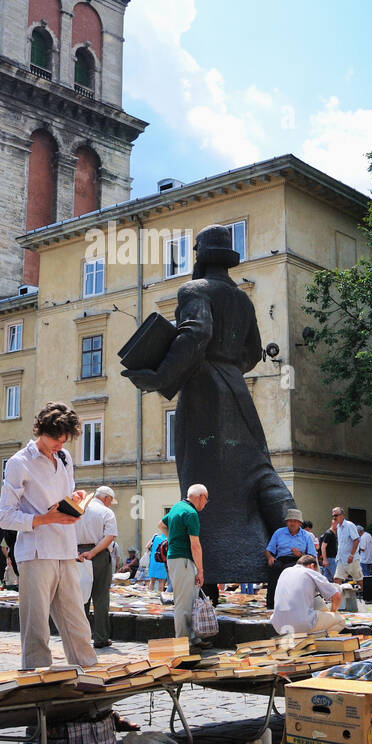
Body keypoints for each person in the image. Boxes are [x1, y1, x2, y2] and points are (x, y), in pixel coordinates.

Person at [121, 226, 298, 596]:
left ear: (200, 255)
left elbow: (196, 334)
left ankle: (208, 581)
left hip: (203, 394)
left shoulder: (194, 290)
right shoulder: (242, 300)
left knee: (200, 481)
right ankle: (286, 566)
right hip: (237, 392)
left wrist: (159, 376)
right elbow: (252, 353)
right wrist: (228, 367)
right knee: (256, 472)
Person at [0, 401, 97, 671]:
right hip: (36, 553)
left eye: (64, 441)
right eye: (56, 440)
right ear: (41, 430)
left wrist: (74, 499)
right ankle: (36, 681)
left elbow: (60, 495)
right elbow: (4, 516)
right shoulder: (19, 463)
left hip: (66, 549)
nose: (60, 445)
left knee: (78, 624)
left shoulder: (64, 458)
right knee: (37, 628)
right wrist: (45, 518)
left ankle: (90, 677)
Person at [163, 485, 207, 646]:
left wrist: (173, 540)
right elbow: (195, 545)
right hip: (183, 560)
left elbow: (161, 525)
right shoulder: (191, 513)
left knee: (189, 600)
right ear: (200, 497)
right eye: (206, 499)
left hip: (176, 558)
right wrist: (200, 571)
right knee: (183, 603)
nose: (205, 503)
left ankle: (192, 638)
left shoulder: (176, 507)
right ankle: (183, 642)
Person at [78, 486, 118, 649]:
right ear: (107, 498)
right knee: (100, 596)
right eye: (111, 501)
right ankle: (101, 637)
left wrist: (75, 552)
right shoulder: (106, 512)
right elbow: (110, 536)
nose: (110, 504)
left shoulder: (79, 508)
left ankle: (80, 637)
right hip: (99, 554)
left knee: (81, 597)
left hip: (77, 554)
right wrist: (93, 552)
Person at [271, 554, 344, 637]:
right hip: (301, 624)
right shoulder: (310, 572)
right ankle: (312, 640)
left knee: (316, 604)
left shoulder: (285, 572)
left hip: (278, 626)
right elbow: (336, 596)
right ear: (312, 566)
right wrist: (333, 612)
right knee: (340, 620)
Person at [264, 509, 316, 608]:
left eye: (295, 521)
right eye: (290, 521)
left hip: (298, 561)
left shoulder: (307, 536)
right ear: (286, 522)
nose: (292, 523)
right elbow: (268, 550)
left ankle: (290, 605)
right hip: (281, 559)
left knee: (289, 571)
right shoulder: (279, 532)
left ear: (300, 523)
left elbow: (312, 557)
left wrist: (300, 555)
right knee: (274, 570)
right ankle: (271, 605)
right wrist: (270, 557)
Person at [331, 508, 362, 584]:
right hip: (341, 559)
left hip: (351, 559)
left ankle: (368, 591)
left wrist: (351, 555)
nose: (334, 517)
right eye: (333, 516)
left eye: (336, 515)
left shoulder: (349, 525)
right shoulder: (338, 527)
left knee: (359, 580)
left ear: (342, 515)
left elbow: (356, 540)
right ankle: (339, 592)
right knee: (336, 579)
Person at [147, 520, 169, 593]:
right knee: (161, 582)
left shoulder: (156, 537)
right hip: (162, 561)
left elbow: (147, 546)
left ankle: (149, 595)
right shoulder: (168, 539)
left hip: (154, 560)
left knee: (152, 581)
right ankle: (159, 596)